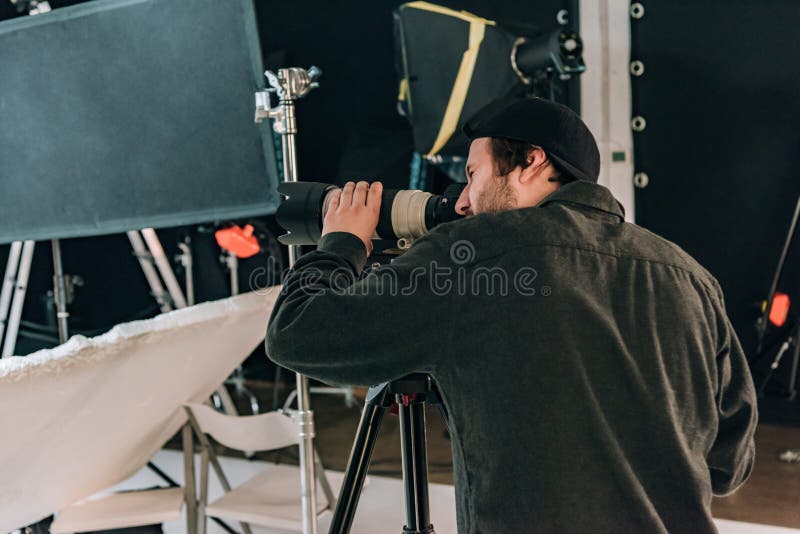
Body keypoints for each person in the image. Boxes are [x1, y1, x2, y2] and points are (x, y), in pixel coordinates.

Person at [266, 97, 757, 533]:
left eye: (474, 175)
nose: (461, 200)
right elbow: (726, 467)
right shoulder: (690, 276)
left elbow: (296, 334)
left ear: (530, 162)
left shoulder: (476, 253)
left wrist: (343, 243)